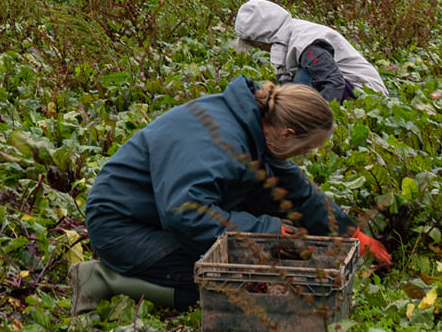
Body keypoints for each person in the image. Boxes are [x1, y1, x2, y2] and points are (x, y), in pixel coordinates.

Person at [71, 77, 392, 314]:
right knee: (230, 287)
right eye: (306, 148)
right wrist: (265, 231)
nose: (304, 156)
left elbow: (297, 192)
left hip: (152, 217)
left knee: (253, 270)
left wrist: (352, 234)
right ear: (287, 133)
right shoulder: (221, 142)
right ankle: (105, 279)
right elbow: (186, 212)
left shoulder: (252, 124)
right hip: (122, 228)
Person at [231, 0, 389, 102]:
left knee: (303, 77)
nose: (260, 48)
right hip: (343, 87)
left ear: (263, 38)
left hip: (367, 95)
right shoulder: (286, 35)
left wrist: (312, 120)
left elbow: (333, 83)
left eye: (256, 44)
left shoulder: (304, 42)